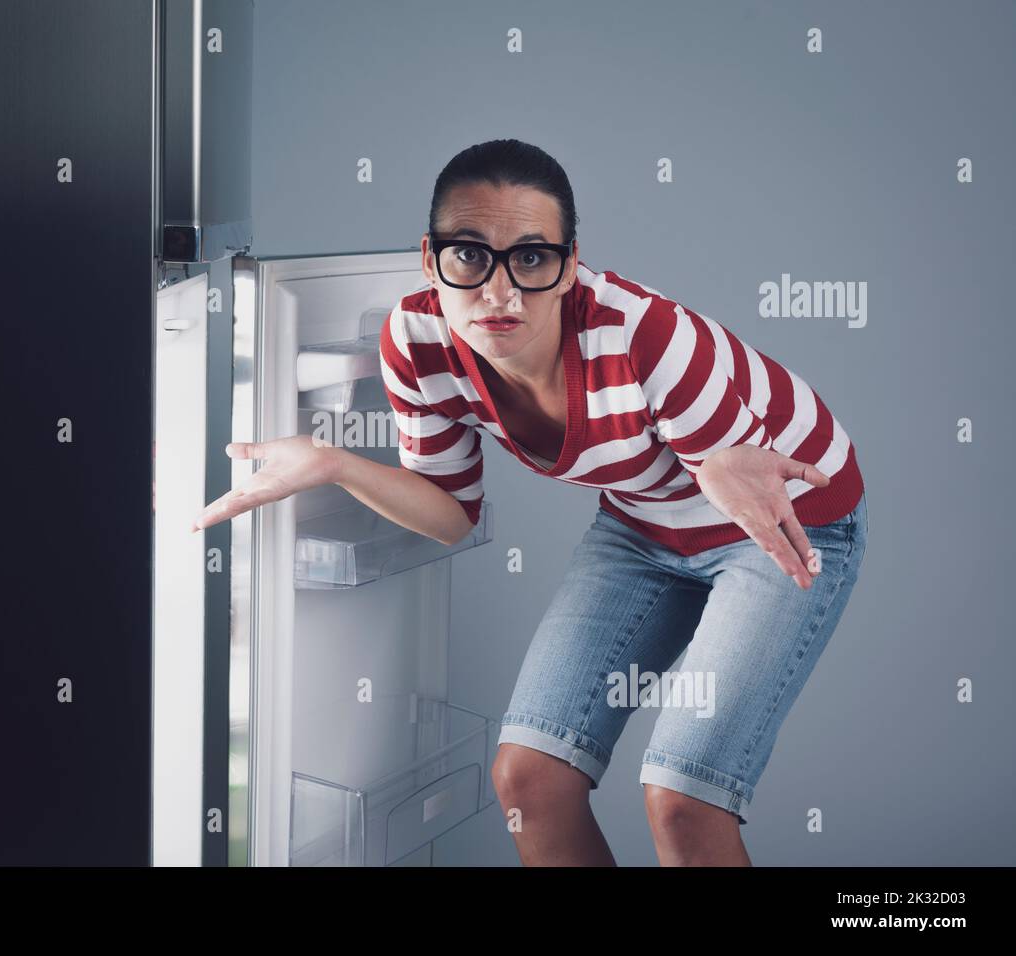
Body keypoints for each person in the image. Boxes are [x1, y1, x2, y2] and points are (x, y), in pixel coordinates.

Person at [191, 139, 868, 866]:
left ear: (569, 265)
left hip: (783, 521)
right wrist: (331, 462)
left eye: (533, 258)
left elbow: (737, 471)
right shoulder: (417, 341)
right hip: (643, 525)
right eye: (471, 256)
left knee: (684, 799)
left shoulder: (646, 335)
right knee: (528, 780)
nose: (500, 293)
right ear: (429, 259)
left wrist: (720, 461)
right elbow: (451, 513)